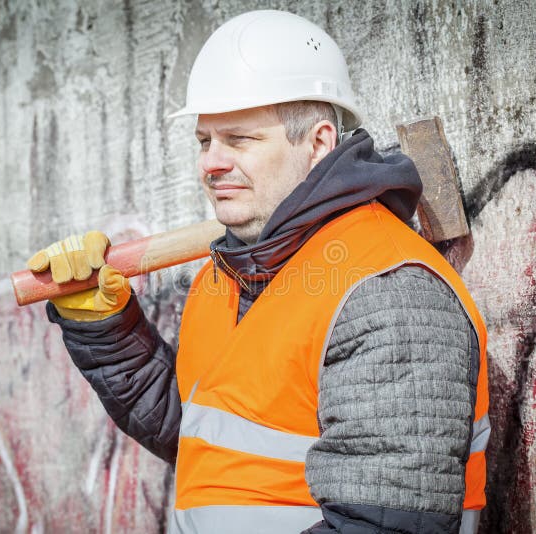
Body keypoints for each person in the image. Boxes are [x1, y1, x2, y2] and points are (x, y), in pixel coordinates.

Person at [28, 10, 489, 534]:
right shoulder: (225, 275)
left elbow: (383, 524)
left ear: (318, 144)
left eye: (239, 139)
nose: (211, 163)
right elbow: (203, 438)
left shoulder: (388, 293)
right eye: (205, 141)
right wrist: (105, 328)